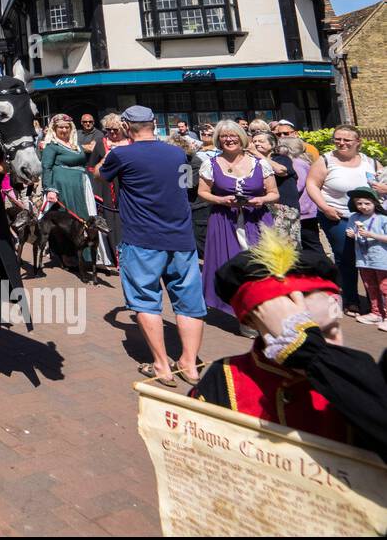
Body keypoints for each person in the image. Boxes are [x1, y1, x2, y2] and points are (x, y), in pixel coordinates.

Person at [191, 229, 387, 462]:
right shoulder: (226, 377)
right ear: (263, 325)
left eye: (332, 330)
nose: (329, 345)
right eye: (314, 333)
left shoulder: (356, 376)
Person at [97, 105, 205, 387]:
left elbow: (100, 174)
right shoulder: (178, 153)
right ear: (154, 123)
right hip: (181, 238)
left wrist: (112, 150)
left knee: (146, 300)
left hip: (143, 239)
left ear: (125, 127)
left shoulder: (121, 154)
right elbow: (186, 186)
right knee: (189, 303)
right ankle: (190, 365)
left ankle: (161, 365)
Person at [198, 120, 278, 320]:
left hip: (257, 219)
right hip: (224, 220)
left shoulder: (260, 164)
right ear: (218, 140)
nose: (229, 139)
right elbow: (203, 192)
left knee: (261, 267)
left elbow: (274, 193)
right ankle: (241, 313)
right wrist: (220, 200)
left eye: (233, 135)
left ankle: (262, 310)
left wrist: (261, 199)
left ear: (242, 138)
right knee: (231, 267)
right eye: (224, 136)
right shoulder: (211, 164)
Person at [307, 124, 387, 314]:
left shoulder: (371, 162)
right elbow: (312, 184)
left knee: (374, 258)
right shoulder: (325, 160)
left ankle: (376, 302)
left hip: (368, 219)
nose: (341, 143)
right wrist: (325, 208)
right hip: (337, 216)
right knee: (346, 257)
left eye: (346, 140)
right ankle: (351, 299)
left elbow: (383, 185)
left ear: (357, 142)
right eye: (337, 139)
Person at [41, 113, 111, 270]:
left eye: (67, 127)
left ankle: (87, 255)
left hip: (80, 184)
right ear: (54, 128)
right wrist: (49, 189)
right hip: (63, 186)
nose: (64, 130)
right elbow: (46, 168)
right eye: (60, 127)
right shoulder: (51, 146)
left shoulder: (75, 144)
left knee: (85, 218)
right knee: (68, 222)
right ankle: (68, 255)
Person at [87, 113, 128, 260]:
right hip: (107, 188)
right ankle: (115, 255)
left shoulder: (131, 142)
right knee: (111, 221)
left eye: (115, 130)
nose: (112, 132)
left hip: (127, 187)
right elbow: (91, 168)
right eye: (108, 129)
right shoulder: (101, 142)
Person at [346, 186, 387, 328]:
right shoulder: (354, 217)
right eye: (359, 203)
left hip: (382, 260)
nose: (363, 207)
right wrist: (351, 234)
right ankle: (376, 313)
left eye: (367, 203)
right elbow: (351, 230)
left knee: (385, 288)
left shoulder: (382, 218)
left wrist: (372, 235)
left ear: (375, 202)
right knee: (371, 287)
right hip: (364, 260)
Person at [257, 130, 300, 247]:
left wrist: (258, 155)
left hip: (284, 208)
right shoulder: (252, 162)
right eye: (254, 141)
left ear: (272, 145)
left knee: (287, 244)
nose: (256, 144)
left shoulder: (281, 159)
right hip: (263, 207)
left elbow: (281, 171)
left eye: (261, 141)